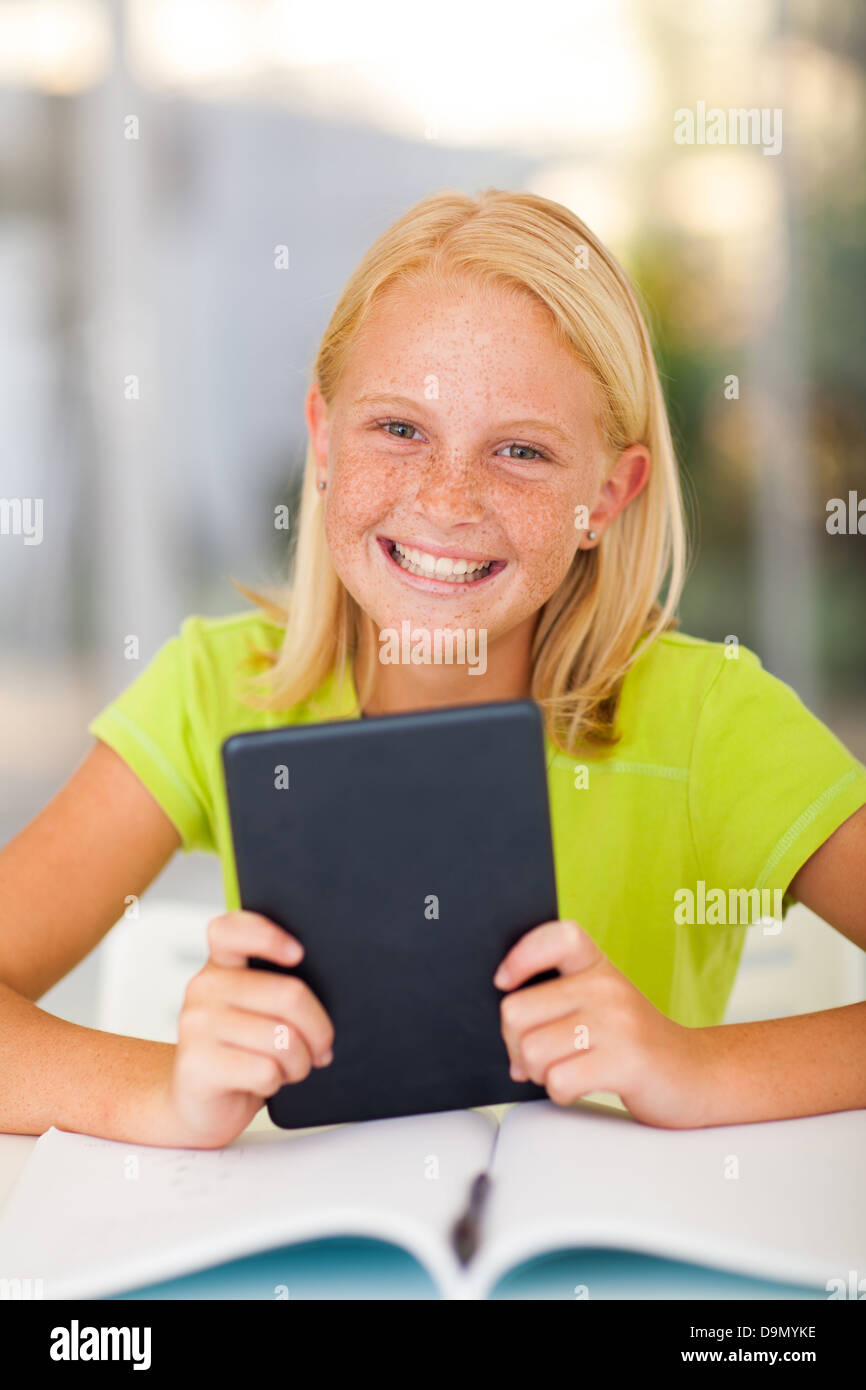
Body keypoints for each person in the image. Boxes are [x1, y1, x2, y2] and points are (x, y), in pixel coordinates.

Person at [2, 188, 864, 1150]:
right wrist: (167, 1092)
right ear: (324, 439)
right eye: (400, 430)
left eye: (523, 451)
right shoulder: (217, 690)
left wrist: (695, 1068)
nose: (448, 499)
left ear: (608, 495)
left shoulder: (710, 721)